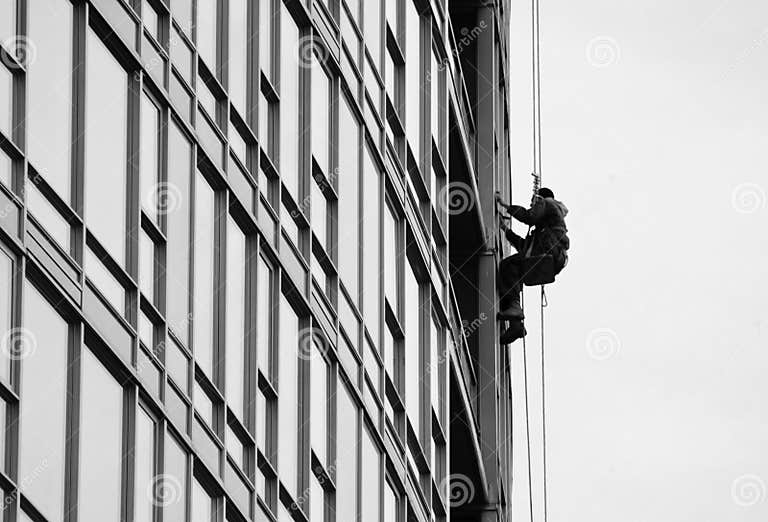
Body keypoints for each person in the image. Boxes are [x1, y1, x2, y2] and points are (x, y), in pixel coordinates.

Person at [495, 187, 570, 344]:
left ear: (539, 198)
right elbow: (524, 248)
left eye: (533, 202)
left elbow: (528, 216)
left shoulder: (548, 202)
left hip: (549, 255)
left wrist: (504, 205)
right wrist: (505, 230)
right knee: (513, 272)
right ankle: (516, 325)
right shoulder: (545, 231)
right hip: (552, 259)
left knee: (508, 265)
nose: (532, 205)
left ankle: (515, 307)